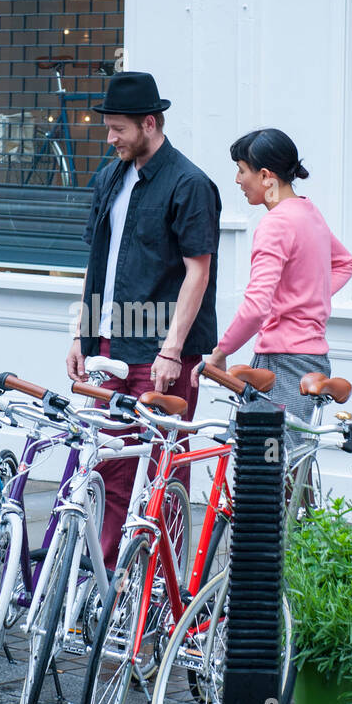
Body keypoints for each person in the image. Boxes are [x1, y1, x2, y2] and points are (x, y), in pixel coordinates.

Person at [65, 71, 221, 567]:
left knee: (165, 470)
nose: (110, 138)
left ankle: (158, 590)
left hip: (162, 351)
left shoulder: (191, 184)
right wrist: (81, 334)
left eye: (118, 129)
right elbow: (97, 261)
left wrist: (172, 349)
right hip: (109, 345)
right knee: (110, 465)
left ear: (149, 123)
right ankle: (107, 584)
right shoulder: (110, 176)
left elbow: (198, 273)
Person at [194, 128, 352, 444]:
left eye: (242, 170)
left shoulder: (276, 223)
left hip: (282, 359)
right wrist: (307, 299)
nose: (237, 180)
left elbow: (256, 308)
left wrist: (220, 352)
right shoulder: (309, 212)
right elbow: (346, 263)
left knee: (267, 473)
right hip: (311, 358)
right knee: (287, 471)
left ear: (266, 176)